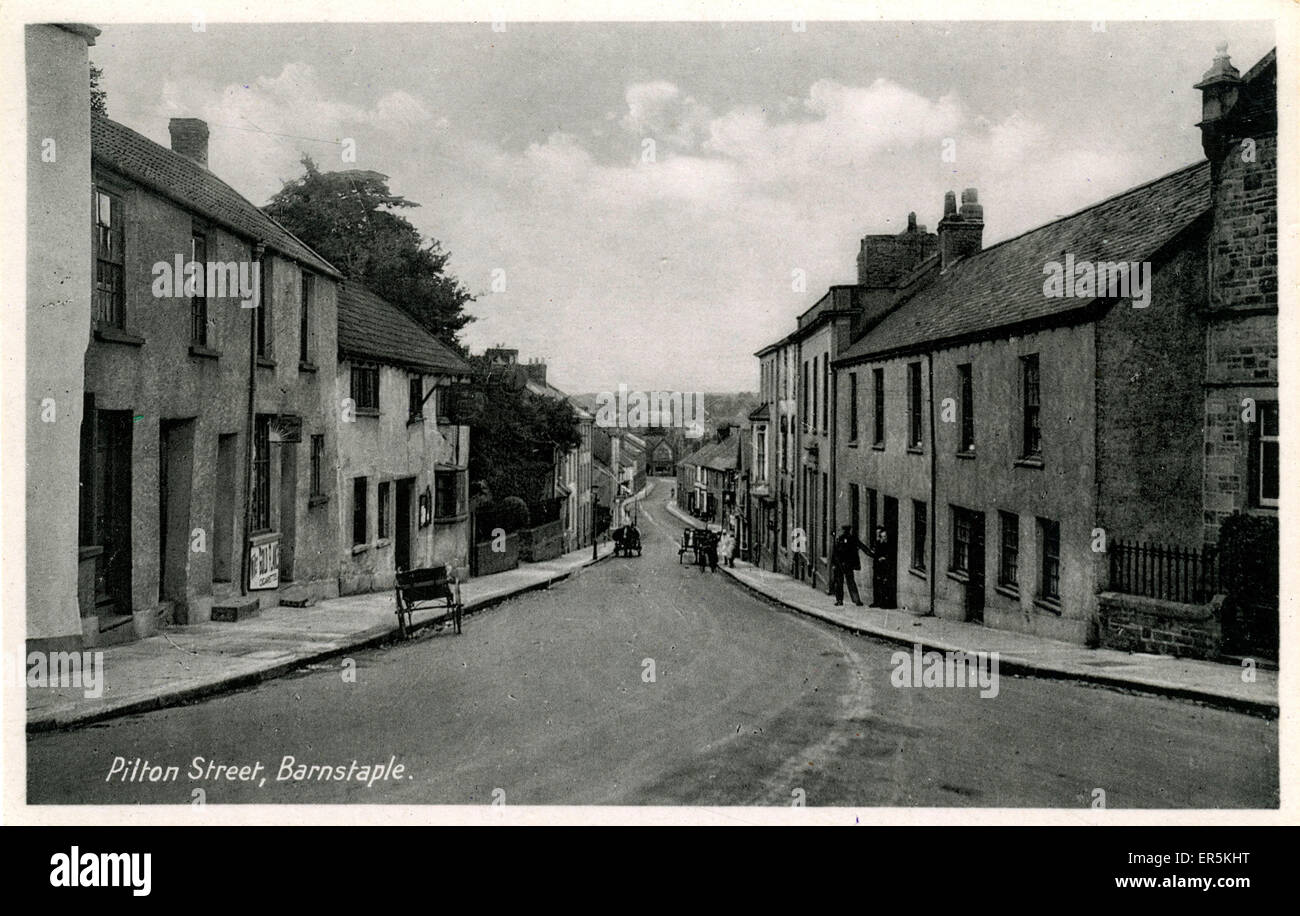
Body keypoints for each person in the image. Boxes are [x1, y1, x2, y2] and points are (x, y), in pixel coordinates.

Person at [830, 524, 868, 607]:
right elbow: (835, 552)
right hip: (842, 565)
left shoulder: (846, 539)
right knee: (847, 582)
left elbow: (835, 552)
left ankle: (843, 600)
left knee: (845, 582)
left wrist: (834, 564)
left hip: (844, 565)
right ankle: (854, 600)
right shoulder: (844, 539)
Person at [868, 526, 896, 609]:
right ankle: (879, 602)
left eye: (884, 536)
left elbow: (891, 555)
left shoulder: (888, 545)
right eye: (881, 536)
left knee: (886, 584)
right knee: (878, 584)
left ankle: (886, 603)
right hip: (879, 567)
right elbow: (876, 554)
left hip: (887, 567)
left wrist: (884, 558)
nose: (882, 537)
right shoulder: (879, 543)